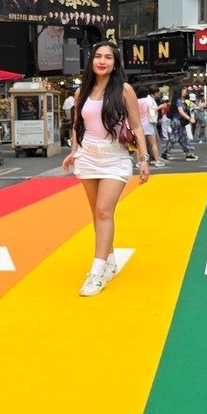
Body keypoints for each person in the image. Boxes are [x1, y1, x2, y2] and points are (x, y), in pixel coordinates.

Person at [61, 42, 149, 297]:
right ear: (91, 61)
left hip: (115, 157)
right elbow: (78, 125)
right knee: (97, 214)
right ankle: (109, 261)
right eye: (98, 56)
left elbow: (137, 125)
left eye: (108, 57)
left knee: (103, 210)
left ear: (115, 63)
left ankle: (97, 272)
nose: (102, 61)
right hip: (88, 156)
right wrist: (74, 151)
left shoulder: (123, 90)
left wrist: (144, 158)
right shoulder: (82, 92)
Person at [161, 91, 199, 161]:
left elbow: (190, 108)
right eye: (183, 90)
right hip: (177, 122)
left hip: (179, 122)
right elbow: (181, 111)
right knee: (174, 139)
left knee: (183, 138)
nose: (185, 92)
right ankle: (165, 153)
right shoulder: (178, 101)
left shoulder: (181, 100)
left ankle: (188, 153)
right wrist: (190, 118)